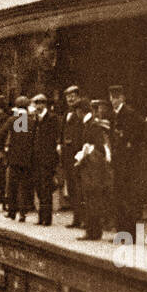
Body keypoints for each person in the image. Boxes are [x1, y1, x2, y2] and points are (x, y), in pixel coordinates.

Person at [75, 98, 115, 240]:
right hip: (91, 167)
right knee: (92, 199)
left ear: (80, 111)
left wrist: (85, 153)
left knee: (92, 198)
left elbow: (99, 146)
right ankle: (92, 230)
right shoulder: (90, 123)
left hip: (93, 168)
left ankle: (93, 231)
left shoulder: (92, 125)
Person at [108, 84, 145, 233]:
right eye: (112, 97)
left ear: (122, 98)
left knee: (127, 197)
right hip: (118, 160)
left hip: (128, 162)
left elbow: (139, 130)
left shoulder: (129, 113)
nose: (114, 100)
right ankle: (121, 230)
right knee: (118, 196)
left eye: (116, 97)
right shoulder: (113, 114)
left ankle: (129, 232)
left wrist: (131, 143)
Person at [3, 95, 34, 221]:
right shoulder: (31, 121)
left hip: (14, 158)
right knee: (24, 185)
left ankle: (12, 211)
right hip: (27, 159)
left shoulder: (13, 120)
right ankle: (23, 212)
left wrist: (3, 150)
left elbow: (1, 134)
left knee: (12, 186)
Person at [59, 86, 85, 228]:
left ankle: (83, 219)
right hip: (68, 156)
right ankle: (76, 218)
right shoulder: (67, 113)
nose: (70, 99)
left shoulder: (80, 113)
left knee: (80, 188)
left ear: (78, 96)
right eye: (68, 97)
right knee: (72, 188)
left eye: (73, 96)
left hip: (78, 154)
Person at [31, 94, 59, 226]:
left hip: (47, 159)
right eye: (36, 103)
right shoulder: (36, 119)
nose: (38, 106)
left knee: (46, 188)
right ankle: (41, 216)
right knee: (39, 188)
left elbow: (54, 139)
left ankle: (47, 218)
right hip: (36, 159)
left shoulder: (51, 118)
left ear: (45, 104)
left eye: (41, 103)